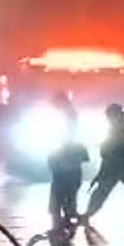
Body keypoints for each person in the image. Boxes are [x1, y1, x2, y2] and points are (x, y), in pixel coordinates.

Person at [82, 103, 124, 227]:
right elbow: (105, 150)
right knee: (103, 191)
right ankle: (88, 214)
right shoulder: (114, 131)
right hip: (114, 165)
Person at [47, 97, 90, 234]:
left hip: (65, 158)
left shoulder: (66, 117)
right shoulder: (67, 116)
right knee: (68, 190)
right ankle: (66, 216)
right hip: (68, 158)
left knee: (61, 191)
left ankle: (63, 217)